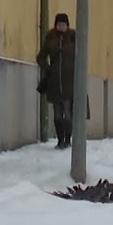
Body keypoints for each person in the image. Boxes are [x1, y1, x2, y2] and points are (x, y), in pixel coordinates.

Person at [36, 13, 77, 149]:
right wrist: (48, 69)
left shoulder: (73, 37)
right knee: (58, 115)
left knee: (68, 114)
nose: (61, 27)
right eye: (59, 25)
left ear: (67, 25)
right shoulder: (51, 37)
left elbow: (81, 54)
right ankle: (60, 140)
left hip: (69, 82)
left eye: (63, 25)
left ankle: (67, 140)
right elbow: (41, 57)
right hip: (54, 83)